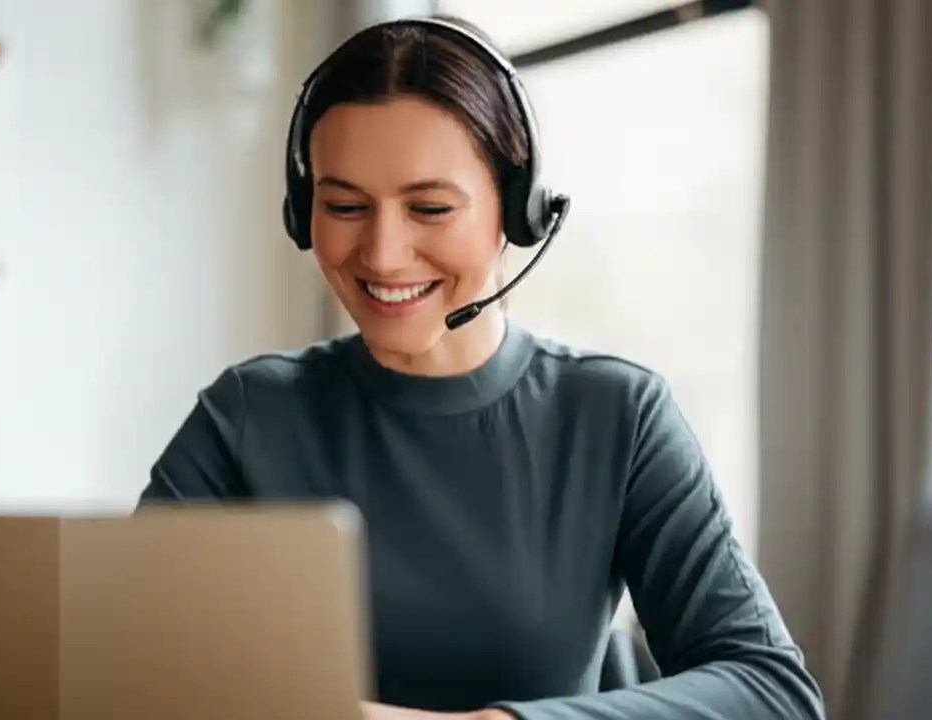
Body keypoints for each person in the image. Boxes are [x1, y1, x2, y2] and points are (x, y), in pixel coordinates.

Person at [138, 15, 825, 720]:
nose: (381, 254)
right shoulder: (248, 414)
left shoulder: (616, 413)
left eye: (430, 208)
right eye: (344, 205)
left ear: (520, 211)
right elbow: (118, 656)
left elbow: (773, 693)